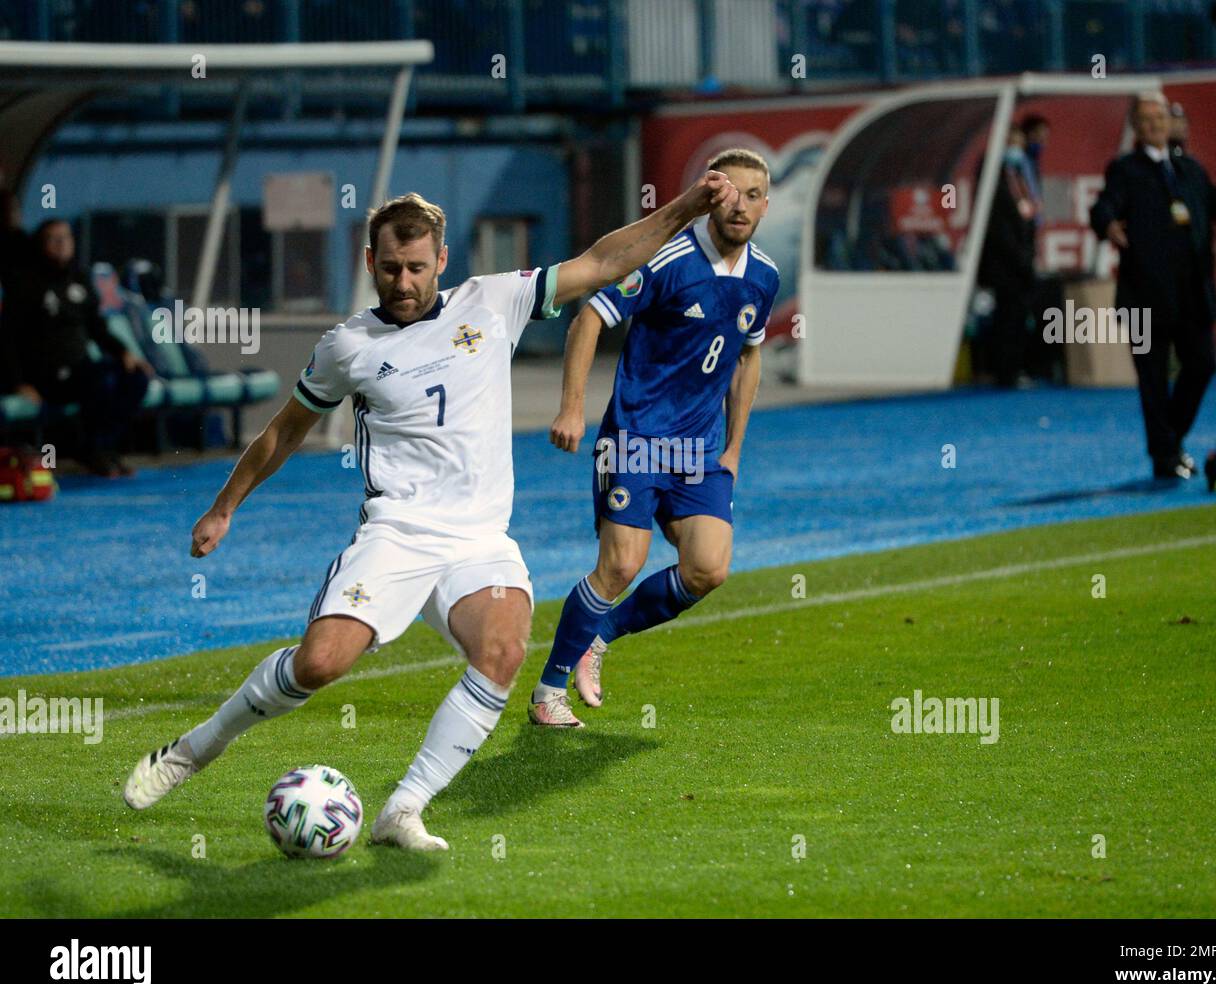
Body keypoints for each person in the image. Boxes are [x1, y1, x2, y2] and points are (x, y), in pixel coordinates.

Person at [122, 174, 742, 851]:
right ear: (370, 263)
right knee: (320, 664)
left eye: (417, 267)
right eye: (390, 267)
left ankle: (404, 808)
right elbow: (284, 430)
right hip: (396, 533)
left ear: (442, 261)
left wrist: (684, 208)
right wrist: (224, 507)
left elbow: (601, 262)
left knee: (503, 648)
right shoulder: (347, 346)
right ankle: (195, 747)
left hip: (478, 540)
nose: (404, 280)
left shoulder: (494, 299)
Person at [530, 149, 778, 727]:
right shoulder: (670, 258)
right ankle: (548, 692)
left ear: (767, 204)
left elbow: (748, 357)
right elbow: (589, 316)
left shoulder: (764, 276)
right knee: (621, 566)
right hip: (636, 437)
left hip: (698, 449)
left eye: (754, 195)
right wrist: (572, 408)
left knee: (708, 569)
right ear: (711, 195)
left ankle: (600, 638)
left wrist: (734, 448)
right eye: (730, 192)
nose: (741, 205)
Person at [1089, 92, 1216, 480]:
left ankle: (1170, 440)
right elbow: (1104, 205)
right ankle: (1165, 458)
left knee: (1202, 363)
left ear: (1169, 124)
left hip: (1192, 293)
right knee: (1152, 379)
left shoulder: (1191, 171)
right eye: (1146, 119)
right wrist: (1107, 226)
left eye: (1160, 118)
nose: (1154, 125)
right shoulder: (1125, 169)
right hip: (1145, 295)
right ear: (1137, 127)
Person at [0, 219, 152, 476]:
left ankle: (103, 447)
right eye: (53, 238)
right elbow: (7, 339)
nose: (61, 244)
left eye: (66, 237)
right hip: (45, 377)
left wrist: (125, 353)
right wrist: (18, 383)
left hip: (81, 371)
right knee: (100, 380)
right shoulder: (24, 283)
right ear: (41, 244)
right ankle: (91, 450)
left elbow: (98, 328)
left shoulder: (80, 278)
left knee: (135, 378)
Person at [977, 125, 1038, 388]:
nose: (1016, 147)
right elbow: (997, 224)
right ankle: (1004, 372)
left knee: (1017, 317)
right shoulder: (992, 173)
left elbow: (1028, 214)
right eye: (1011, 141)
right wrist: (1018, 257)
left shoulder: (1022, 174)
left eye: (1019, 141)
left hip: (1021, 259)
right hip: (1004, 262)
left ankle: (1015, 368)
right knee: (1005, 317)